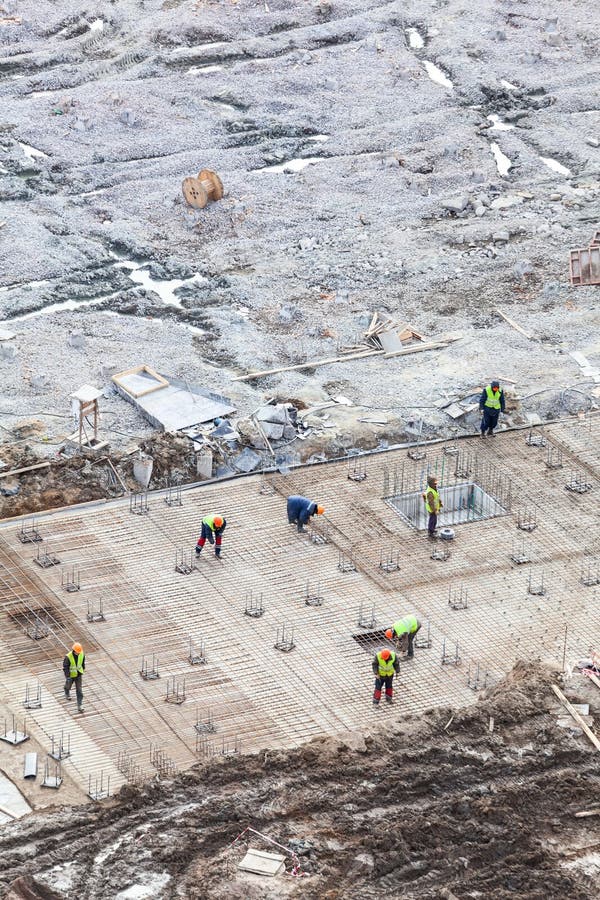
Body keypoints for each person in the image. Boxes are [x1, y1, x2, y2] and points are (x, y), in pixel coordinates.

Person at [63, 642, 85, 713]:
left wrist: (82, 670)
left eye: (79, 652)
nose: (78, 653)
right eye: (77, 652)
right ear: (74, 650)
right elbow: (65, 667)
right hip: (71, 675)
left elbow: (82, 663)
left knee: (79, 690)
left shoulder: (82, 654)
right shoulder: (68, 657)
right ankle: (67, 691)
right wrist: (68, 676)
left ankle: (80, 705)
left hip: (78, 675)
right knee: (68, 685)